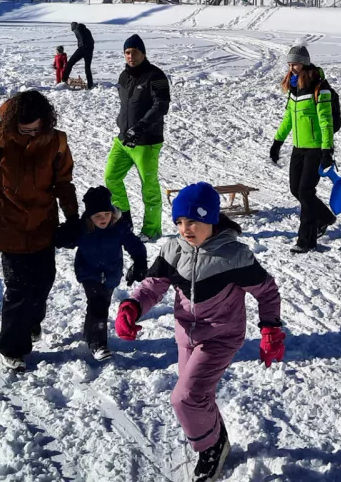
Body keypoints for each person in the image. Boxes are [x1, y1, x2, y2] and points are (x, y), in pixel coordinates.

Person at [115, 182, 284, 482]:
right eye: (179, 222)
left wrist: (270, 328)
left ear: (211, 219)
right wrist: (132, 306)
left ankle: (212, 447)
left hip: (220, 336)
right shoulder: (174, 250)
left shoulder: (233, 256)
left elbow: (267, 291)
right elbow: (153, 285)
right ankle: (215, 435)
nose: (185, 229)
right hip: (185, 336)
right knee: (196, 395)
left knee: (184, 398)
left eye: (192, 221)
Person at [0, 90, 80, 371]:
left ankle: (31, 322)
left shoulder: (57, 141)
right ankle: (12, 348)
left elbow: (64, 182)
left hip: (43, 225)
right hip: (9, 227)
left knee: (44, 281)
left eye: (35, 128)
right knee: (19, 288)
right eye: (24, 130)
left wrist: (73, 219)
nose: (31, 134)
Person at [61, 185, 148, 361]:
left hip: (111, 274)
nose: (103, 219)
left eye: (106, 214)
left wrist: (139, 262)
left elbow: (134, 244)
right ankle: (98, 344)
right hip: (89, 273)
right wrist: (64, 234)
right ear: (90, 216)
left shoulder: (118, 227)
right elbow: (64, 241)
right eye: (98, 216)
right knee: (97, 304)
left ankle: (89, 334)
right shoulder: (83, 229)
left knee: (100, 304)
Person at [269, 44, 336, 253]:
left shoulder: (319, 87)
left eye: (295, 63)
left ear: (304, 63)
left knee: (306, 193)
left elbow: (326, 121)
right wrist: (277, 142)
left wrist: (327, 151)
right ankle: (325, 217)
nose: (292, 67)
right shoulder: (294, 87)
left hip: (315, 148)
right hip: (298, 148)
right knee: (295, 189)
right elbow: (289, 117)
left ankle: (305, 241)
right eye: (289, 64)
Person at [104, 34, 170, 243]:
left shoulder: (155, 76)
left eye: (134, 52)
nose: (130, 56)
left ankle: (152, 230)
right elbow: (126, 105)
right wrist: (122, 123)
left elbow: (161, 106)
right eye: (127, 52)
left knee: (148, 186)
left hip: (146, 142)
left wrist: (140, 127)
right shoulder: (124, 76)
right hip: (123, 139)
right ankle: (124, 221)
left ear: (143, 53)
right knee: (111, 177)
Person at [63, 21, 95, 88]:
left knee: (70, 63)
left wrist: (81, 46)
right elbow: (92, 40)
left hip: (83, 49)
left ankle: (64, 80)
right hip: (90, 49)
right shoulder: (86, 29)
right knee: (87, 67)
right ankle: (90, 84)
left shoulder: (77, 29)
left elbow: (81, 38)